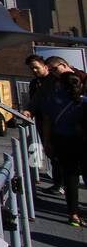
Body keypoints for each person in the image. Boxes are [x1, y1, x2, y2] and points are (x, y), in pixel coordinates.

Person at [31, 65, 87, 226]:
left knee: (70, 178)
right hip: (83, 142)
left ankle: (74, 214)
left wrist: (47, 142)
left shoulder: (53, 101)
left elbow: (47, 121)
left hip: (62, 142)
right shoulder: (83, 102)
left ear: (60, 84)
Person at [23, 55, 59, 190]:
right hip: (42, 122)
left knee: (57, 153)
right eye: (32, 69)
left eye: (36, 68)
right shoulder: (34, 83)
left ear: (45, 67)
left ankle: (59, 184)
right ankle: (58, 183)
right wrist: (29, 111)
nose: (34, 71)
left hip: (55, 121)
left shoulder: (55, 81)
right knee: (50, 152)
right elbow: (34, 102)